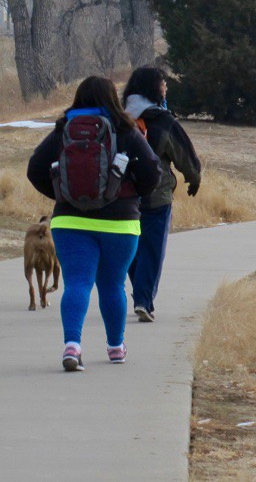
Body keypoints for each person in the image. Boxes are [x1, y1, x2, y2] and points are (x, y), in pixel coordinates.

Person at [26, 76, 161, 371]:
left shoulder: (64, 129)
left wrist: (62, 195)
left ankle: (72, 346)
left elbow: (35, 168)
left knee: (77, 284)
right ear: (112, 97)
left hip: (70, 220)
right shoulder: (125, 129)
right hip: (120, 222)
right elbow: (152, 168)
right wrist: (135, 195)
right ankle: (115, 347)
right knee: (112, 285)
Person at [122, 67, 202, 323]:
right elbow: (185, 157)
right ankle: (143, 300)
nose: (166, 86)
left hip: (123, 197)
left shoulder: (120, 118)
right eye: (163, 82)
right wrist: (194, 179)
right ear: (153, 88)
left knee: (133, 249)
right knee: (153, 250)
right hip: (156, 196)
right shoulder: (163, 121)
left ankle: (141, 295)